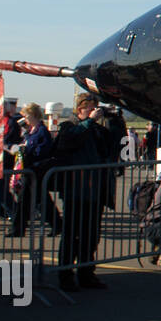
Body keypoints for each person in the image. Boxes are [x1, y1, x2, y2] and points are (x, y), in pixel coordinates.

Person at [52, 92, 114, 291]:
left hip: (95, 190)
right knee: (72, 235)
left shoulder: (96, 130)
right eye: (91, 107)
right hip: (75, 190)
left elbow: (111, 145)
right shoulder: (68, 126)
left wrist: (114, 119)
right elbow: (69, 141)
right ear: (81, 109)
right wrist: (89, 122)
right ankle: (66, 275)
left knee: (91, 235)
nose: (95, 111)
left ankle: (87, 273)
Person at [12, 102, 60, 239]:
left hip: (36, 170)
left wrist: (26, 151)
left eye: (26, 116)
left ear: (33, 115)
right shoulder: (31, 131)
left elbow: (42, 151)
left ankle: (19, 228)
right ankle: (56, 224)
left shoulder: (41, 132)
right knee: (36, 200)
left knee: (32, 200)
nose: (25, 119)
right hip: (30, 170)